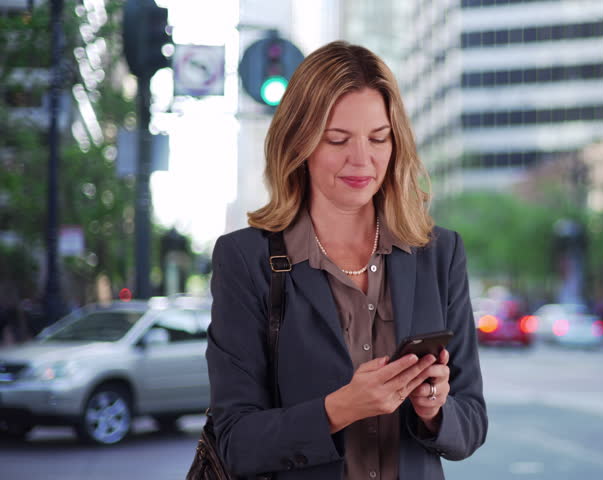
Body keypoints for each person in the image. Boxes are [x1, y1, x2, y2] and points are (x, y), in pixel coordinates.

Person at [206, 41, 487, 480]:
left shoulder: (439, 253)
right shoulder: (246, 258)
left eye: (378, 138)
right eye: (338, 139)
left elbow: (471, 423)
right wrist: (339, 410)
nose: (362, 160)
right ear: (300, 142)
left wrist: (434, 411)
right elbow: (235, 442)